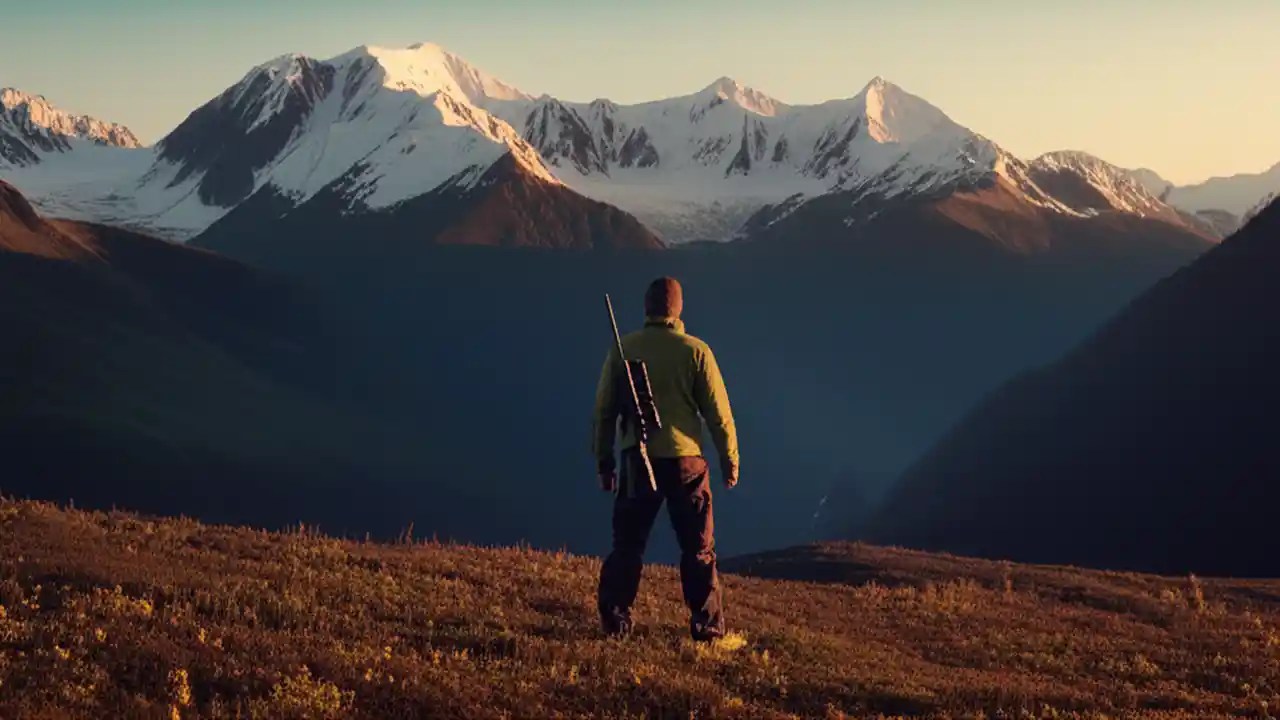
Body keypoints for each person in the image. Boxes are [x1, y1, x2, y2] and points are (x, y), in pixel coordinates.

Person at [592, 277, 740, 642]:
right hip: (685, 463)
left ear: (646, 308)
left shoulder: (623, 349)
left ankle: (616, 621)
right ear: (679, 309)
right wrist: (729, 460)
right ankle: (707, 628)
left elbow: (604, 412)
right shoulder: (696, 351)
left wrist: (604, 462)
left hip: (634, 462)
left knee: (627, 545)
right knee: (698, 549)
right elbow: (719, 415)